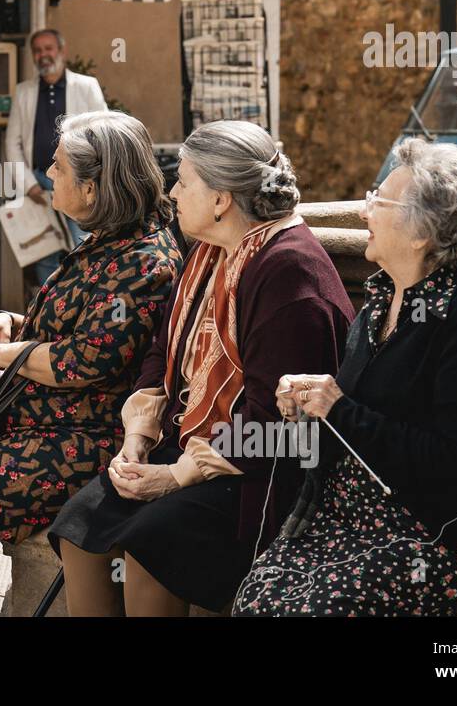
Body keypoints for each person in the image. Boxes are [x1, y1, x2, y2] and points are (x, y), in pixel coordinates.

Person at [49, 120, 354, 616]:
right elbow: (163, 349)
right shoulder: (211, 249)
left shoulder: (288, 275)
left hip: (262, 473)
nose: (171, 192)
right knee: (79, 526)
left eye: (184, 180)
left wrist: (176, 476)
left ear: (220, 200)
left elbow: (274, 431)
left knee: (154, 545)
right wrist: (138, 437)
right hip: (193, 442)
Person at [233, 138, 457, 616]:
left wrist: (340, 409)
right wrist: (312, 409)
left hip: (450, 528)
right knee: (258, 594)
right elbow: (361, 420)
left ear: (422, 232)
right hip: (362, 515)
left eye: (379, 200)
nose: (364, 210)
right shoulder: (382, 302)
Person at [0, 110, 182, 616]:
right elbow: (64, 321)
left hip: (93, 439)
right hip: (45, 424)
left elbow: (85, 360)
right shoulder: (106, 240)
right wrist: (8, 320)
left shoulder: (146, 261)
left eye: (57, 167)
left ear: (93, 188)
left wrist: (4, 354)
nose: (47, 174)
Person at [4, 28, 107, 285]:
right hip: (38, 183)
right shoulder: (24, 91)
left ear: (61, 51)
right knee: (44, 251)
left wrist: (90, 179)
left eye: (48, 48)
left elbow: (104, 131)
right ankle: (49, 313)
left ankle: (85, 302)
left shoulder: (86, 86)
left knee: (83, 244)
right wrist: (28, 185)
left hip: (77, 181)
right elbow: (12, 142)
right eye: (37, 50)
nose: (43, 55)